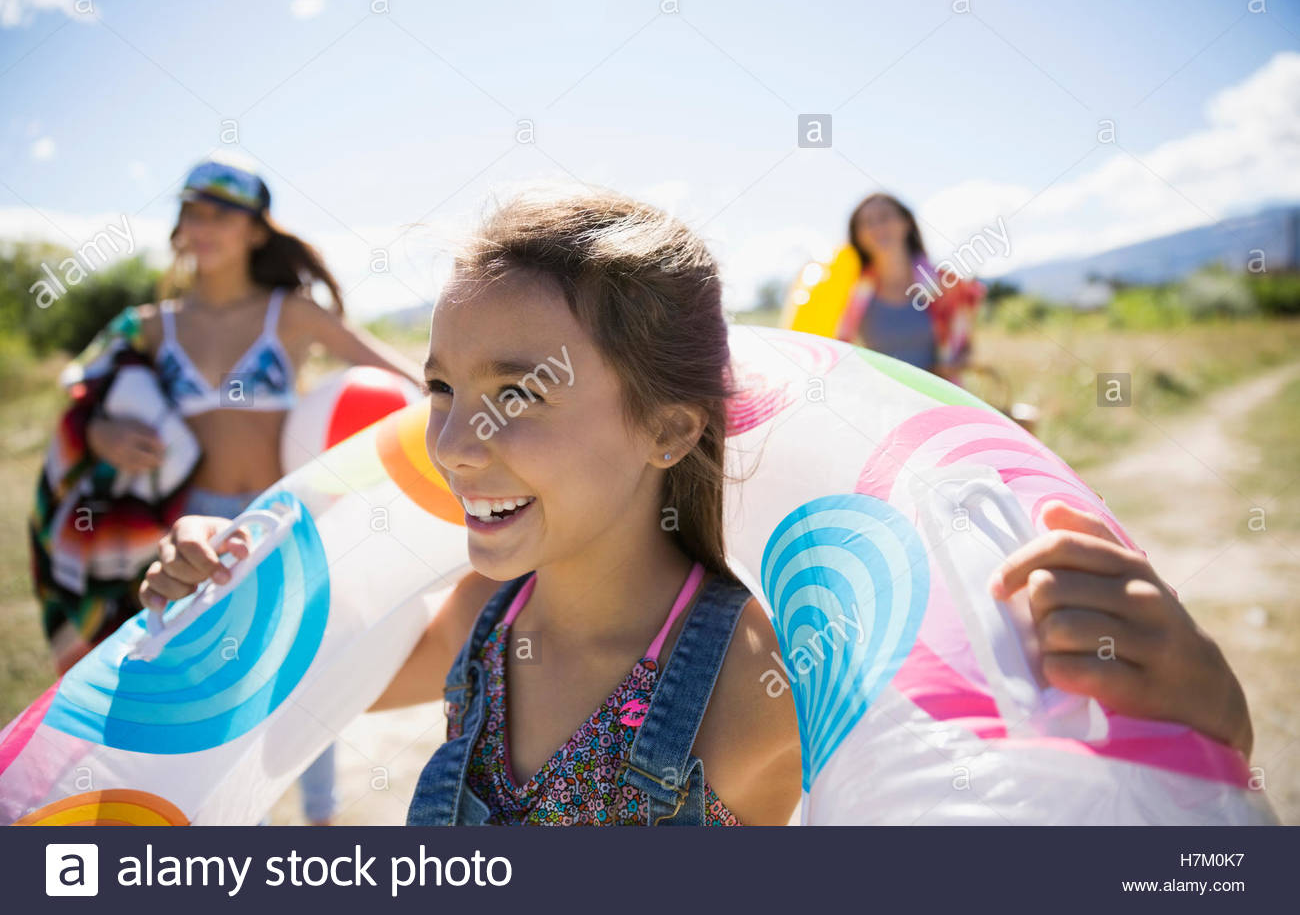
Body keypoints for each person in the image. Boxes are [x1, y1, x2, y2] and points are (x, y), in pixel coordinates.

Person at [141, 188, 1253, 826]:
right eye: (441, 388)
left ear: (670, 428)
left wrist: (1199, 730)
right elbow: (288, 673)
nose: (452, 442)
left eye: (516, 392)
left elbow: (1003, 804)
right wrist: (221, 592)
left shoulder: (753, 675)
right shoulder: (486, 627)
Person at [38, 156, 424, 825]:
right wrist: (101, 432)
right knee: (204, 693)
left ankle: (321, 823)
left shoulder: (292, 314)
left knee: (298, 681)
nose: (204, 224)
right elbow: (77, 396)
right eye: (192, 210)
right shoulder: (150, 325)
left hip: (284, 522)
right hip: (189, 533)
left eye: (223, 213)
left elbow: (408, 381)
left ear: (254, 231)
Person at [833, 192, 984, 384]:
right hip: (880, 403)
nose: (877, 226)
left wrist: (954, 365)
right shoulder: (853, 293)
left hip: (939, 400)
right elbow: (840, 349)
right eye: (867, 222)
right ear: (858, 236)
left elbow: (966, 349)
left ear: (906, 223)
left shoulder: (945, 285)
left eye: (884, 217)